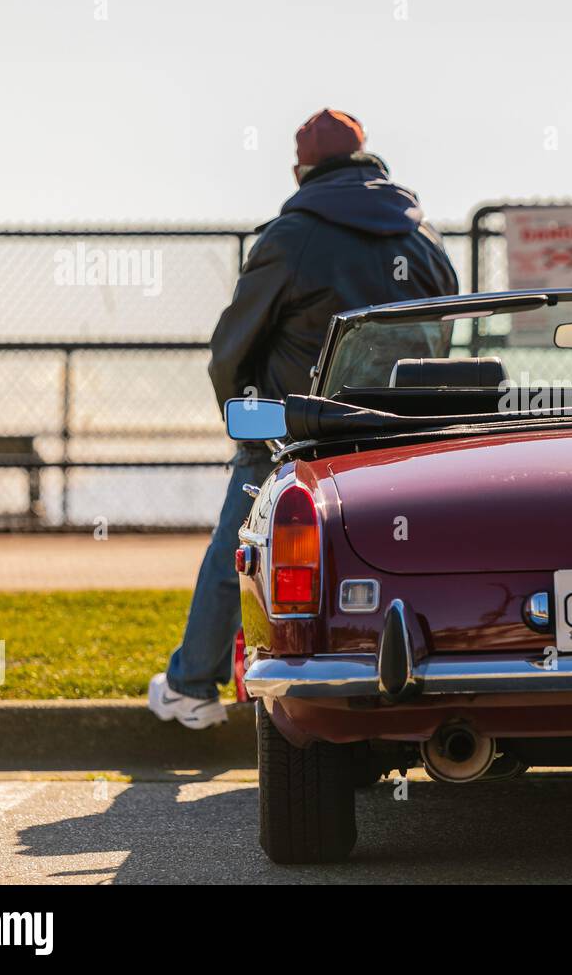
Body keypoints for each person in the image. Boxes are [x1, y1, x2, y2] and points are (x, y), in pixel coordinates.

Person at [149, 109, 458, 728]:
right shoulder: (424, 238)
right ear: (370, 157)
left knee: (238, 546)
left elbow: (229, 351)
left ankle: (192, 686)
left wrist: (245, 420)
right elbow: (446, 331)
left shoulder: (291, 237)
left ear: (301, 170)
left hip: (300, 434)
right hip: (405, 436)